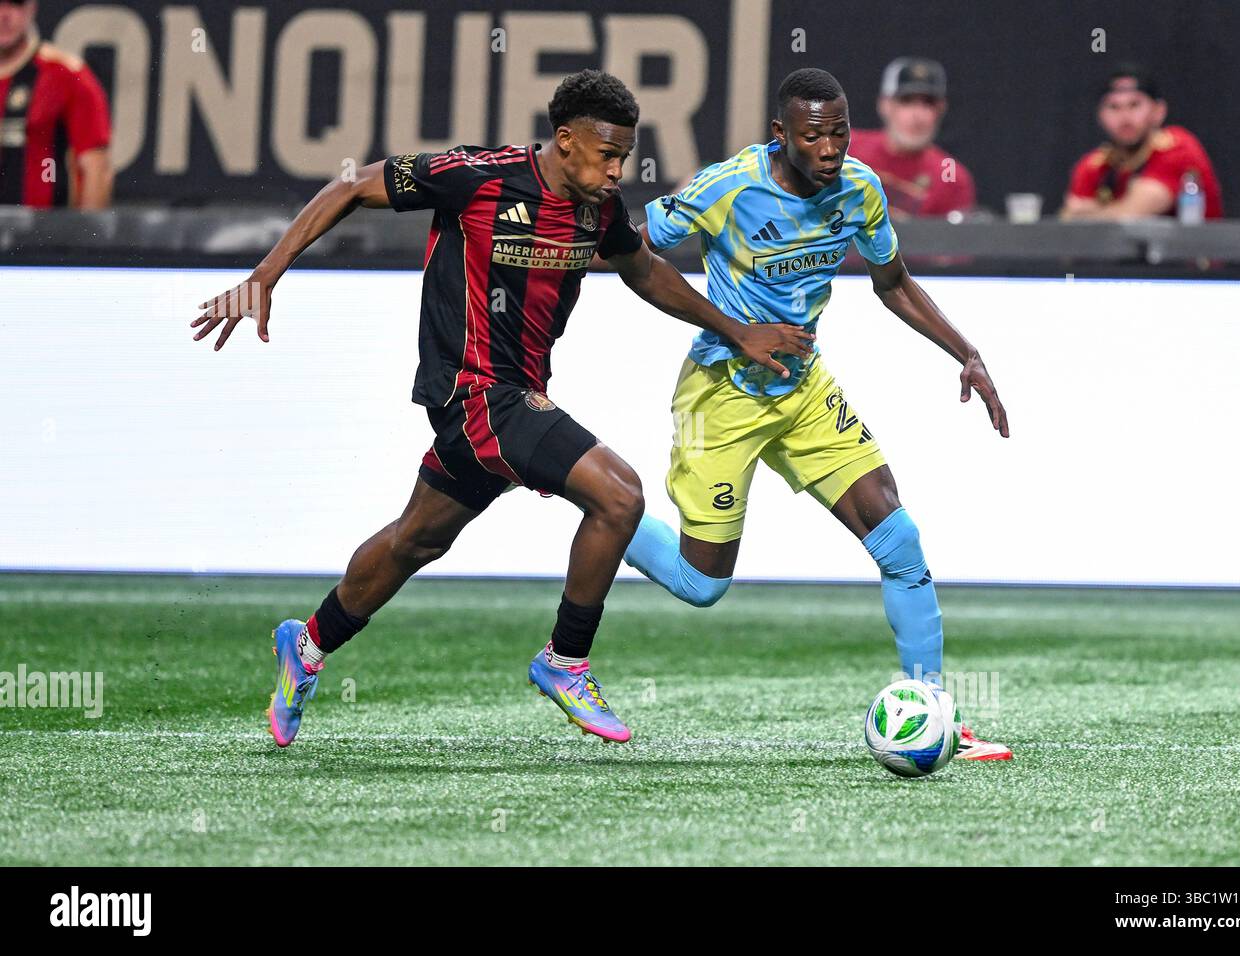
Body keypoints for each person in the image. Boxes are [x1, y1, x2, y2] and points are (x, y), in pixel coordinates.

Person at [190, 70, 811, 747]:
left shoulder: (597, 205)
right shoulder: (476, 176)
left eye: (625, 156)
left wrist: (735, 330)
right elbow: (348, 187)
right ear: (565, 140)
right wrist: (264, 276)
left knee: (417, 539)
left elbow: (643, 271)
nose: (617, 169)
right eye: (606, 154)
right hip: (474, 392)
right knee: (619, 496)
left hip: (515, 397)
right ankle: (565, 660)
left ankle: (306, 647)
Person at [624, 68, 1012, 760]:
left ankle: (940, 713)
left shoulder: (860, 188)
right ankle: (600, 501)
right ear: (781, 135)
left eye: (840, 131)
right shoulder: (728, 187)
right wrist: (737, 329)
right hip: (723, 393)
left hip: (803, 392)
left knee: (900, 541)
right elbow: (627, 248)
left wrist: (967, 351)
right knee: (701, 584)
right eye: (813, 136)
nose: (830, 148)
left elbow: (892, 283)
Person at [1061, 64, 1222, 220]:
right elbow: (1068, 225)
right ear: (1099, 116)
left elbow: (1132, 214)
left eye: (1134, 105)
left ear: (1159, 111)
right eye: (1113, 107)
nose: (1125, 117)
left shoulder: (1178, 147)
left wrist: (1090, 212)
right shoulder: (1094, 165)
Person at [0, 0, 113, 208]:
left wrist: (87, 237)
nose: (4, 15)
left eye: (14, 4)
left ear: (31, 8)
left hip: (41, 235)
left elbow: (95, 167)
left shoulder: (66, 74)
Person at [845, 57, 974, 218]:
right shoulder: (845, 149)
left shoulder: (952, 178)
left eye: (928, 103)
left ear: (941, 109)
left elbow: (955, 241)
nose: (917, 115)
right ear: (884, 105)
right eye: (906, 101)